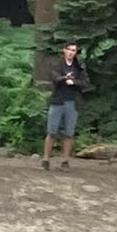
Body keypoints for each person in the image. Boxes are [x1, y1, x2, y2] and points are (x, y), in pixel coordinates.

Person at [42, 42, 89, 172]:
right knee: (51, 132)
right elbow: (54, 77)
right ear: (64, 50)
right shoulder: (56, 64)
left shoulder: (79, 66)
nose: (71, 52)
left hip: (72, 103)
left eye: (73, 50)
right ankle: (46, 159)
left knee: (69, 133)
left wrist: (74, 82)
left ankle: (65, 161)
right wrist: (64, 78)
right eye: (69, 50)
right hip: (57, 102)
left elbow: (85, 83)